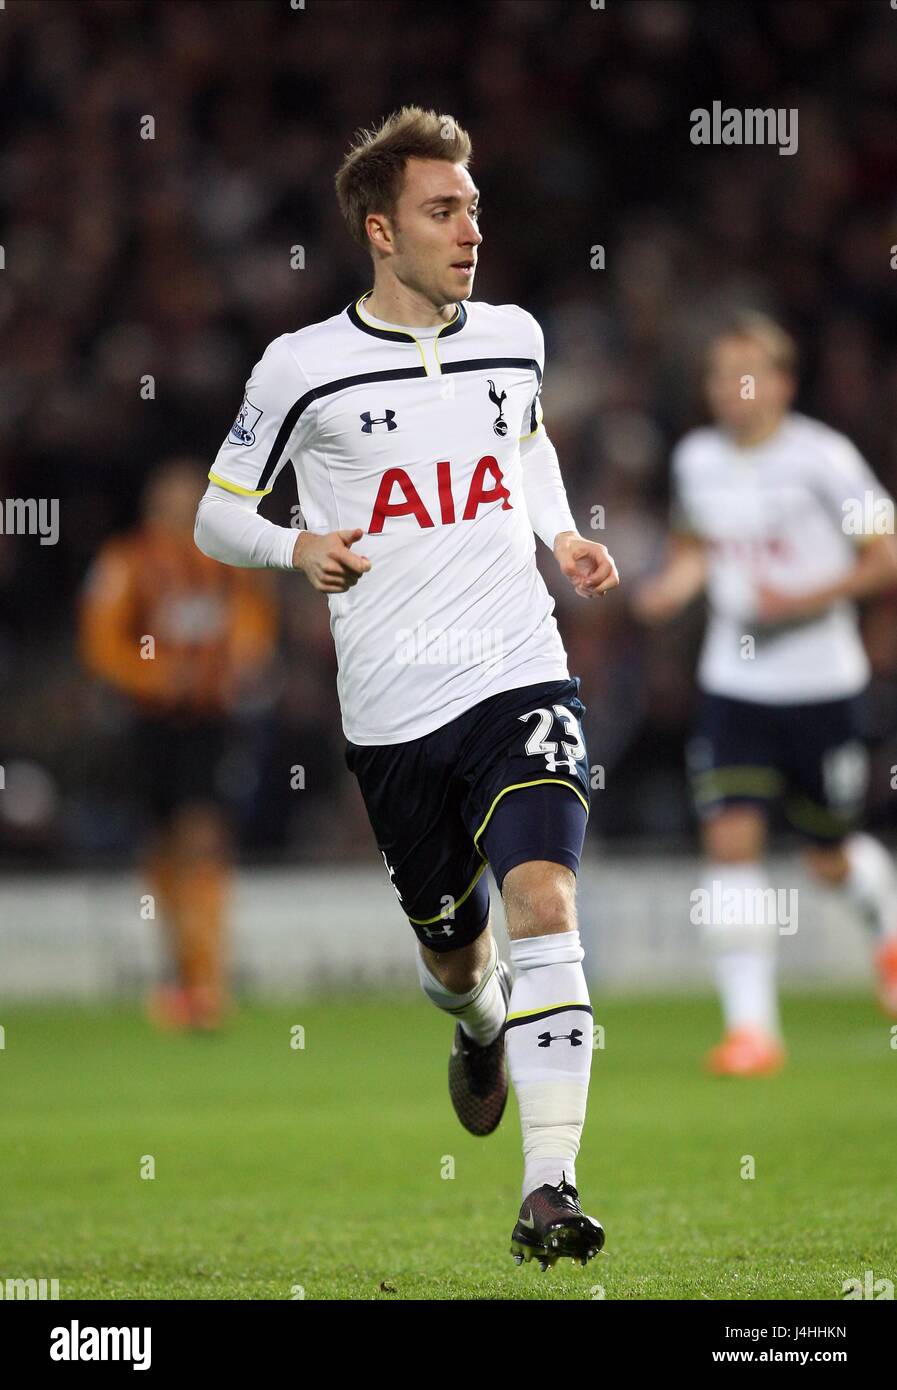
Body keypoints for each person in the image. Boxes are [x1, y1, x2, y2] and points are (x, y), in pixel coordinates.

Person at [194, 106, 620, 1269]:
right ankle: (480, 1030)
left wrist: (560, 534)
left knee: (545, 898)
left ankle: (550, 1186)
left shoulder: (516, 335)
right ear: (381, 230)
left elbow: (524, 440)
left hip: (519, 666)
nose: (470, 227)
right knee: (458, 959)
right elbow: (216, 511)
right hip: (392, 715)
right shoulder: (302, 368)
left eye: (475, 206)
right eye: (444, 210)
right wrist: (293, 549)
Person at [634, 314, 897, 1076]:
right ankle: (751, 1029)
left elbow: (884, 555)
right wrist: (667, 591)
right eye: (718, 375)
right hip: (734, 686)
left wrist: (803, 599)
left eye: (746, 372)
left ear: (781, 382)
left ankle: (885, 928)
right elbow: (695, 549)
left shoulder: (823, 459)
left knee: (827, 857)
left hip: (822, 686)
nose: (729, 389)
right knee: (729, 841)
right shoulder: (697, 459)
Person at [81, 458, 278, 1030]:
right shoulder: (126, 560)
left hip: (209, 722)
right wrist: (155, 677)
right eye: (169, 502)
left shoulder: (224, 561)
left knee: (202, 835)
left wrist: (234, 667)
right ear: (151, 507)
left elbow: (253, 627)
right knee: (162, 845)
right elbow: (101, 639)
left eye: (188, 502)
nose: (178, 513)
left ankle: (207, 979)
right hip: (147, 724)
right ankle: (179, 975)